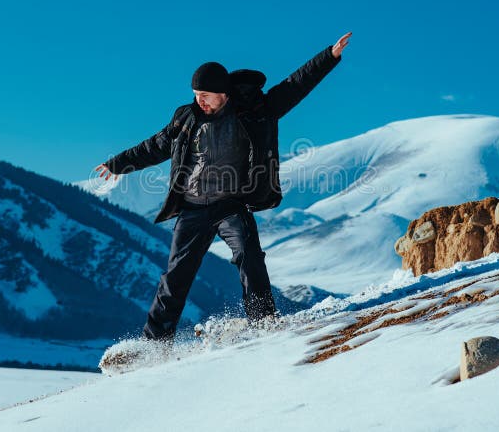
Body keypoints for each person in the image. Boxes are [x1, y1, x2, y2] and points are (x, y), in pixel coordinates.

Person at [95, 32, 352, 340]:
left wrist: (329, 56)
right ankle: (155, 342)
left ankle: (264, 324)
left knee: (250, 255)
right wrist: (118, 163)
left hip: (231, 204)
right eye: (195, 94)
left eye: (204, 95)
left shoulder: (254, 112)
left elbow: (294, 86)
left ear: (223, 94)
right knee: (176, 275)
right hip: (192, 207)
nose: (198, 100)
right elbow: (156, 145)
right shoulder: (186, 117)